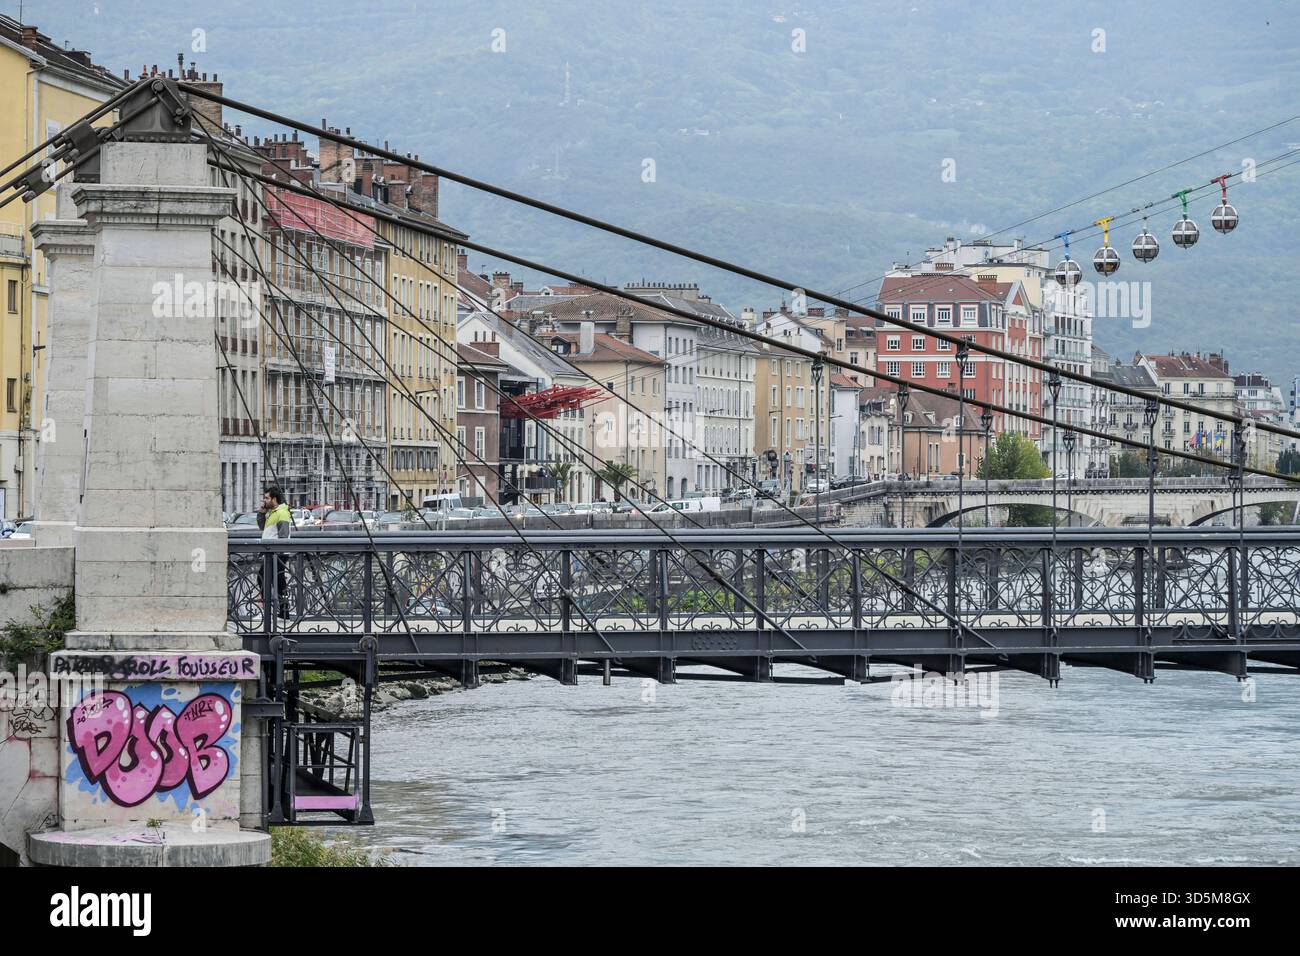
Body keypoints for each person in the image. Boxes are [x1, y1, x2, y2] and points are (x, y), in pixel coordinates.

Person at [257, 485, 293, 620]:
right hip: (271, 553)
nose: (264, 501)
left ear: (274, 499)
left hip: (277, 554)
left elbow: (283, 536)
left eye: (267, 498)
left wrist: (278, 552)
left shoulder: (282, 513)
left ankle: (275, 613)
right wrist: (261, 513)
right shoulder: (274, 512)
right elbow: (263, 528)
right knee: (274, 581)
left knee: (270, 580)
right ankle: (280, 613)